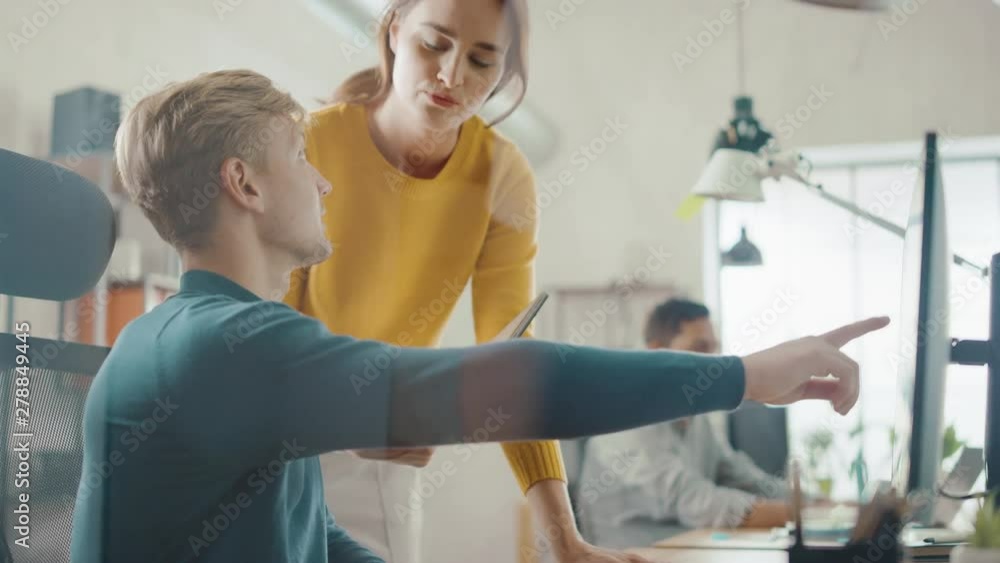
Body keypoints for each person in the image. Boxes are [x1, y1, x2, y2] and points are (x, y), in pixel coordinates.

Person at [68, 68, 888, 563]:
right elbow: (521, 381)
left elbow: (311, 534)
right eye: (303, 161)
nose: (323, 184)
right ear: (243, 183)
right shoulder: (231, 347)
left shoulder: (179, 335)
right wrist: (745, 375)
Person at [281, 0, 653, 560]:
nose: (452, 76)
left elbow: (510, 359)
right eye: (434, 45)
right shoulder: (306, 144)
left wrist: (564, 541)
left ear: (504, 73)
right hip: (279, 437)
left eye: (482, 61)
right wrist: (343, 415)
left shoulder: (502, 176)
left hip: (384, 458)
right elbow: (259, 332)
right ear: (395, 31)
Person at [578, 299, 796, 545]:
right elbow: (697, 501)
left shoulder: (696, 419)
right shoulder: (623, 422)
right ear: (655, 352)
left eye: (714, 349)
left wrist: (812, 502)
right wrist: (798, 514)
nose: (715, 362)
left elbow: (743, 476)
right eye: (700, 348)